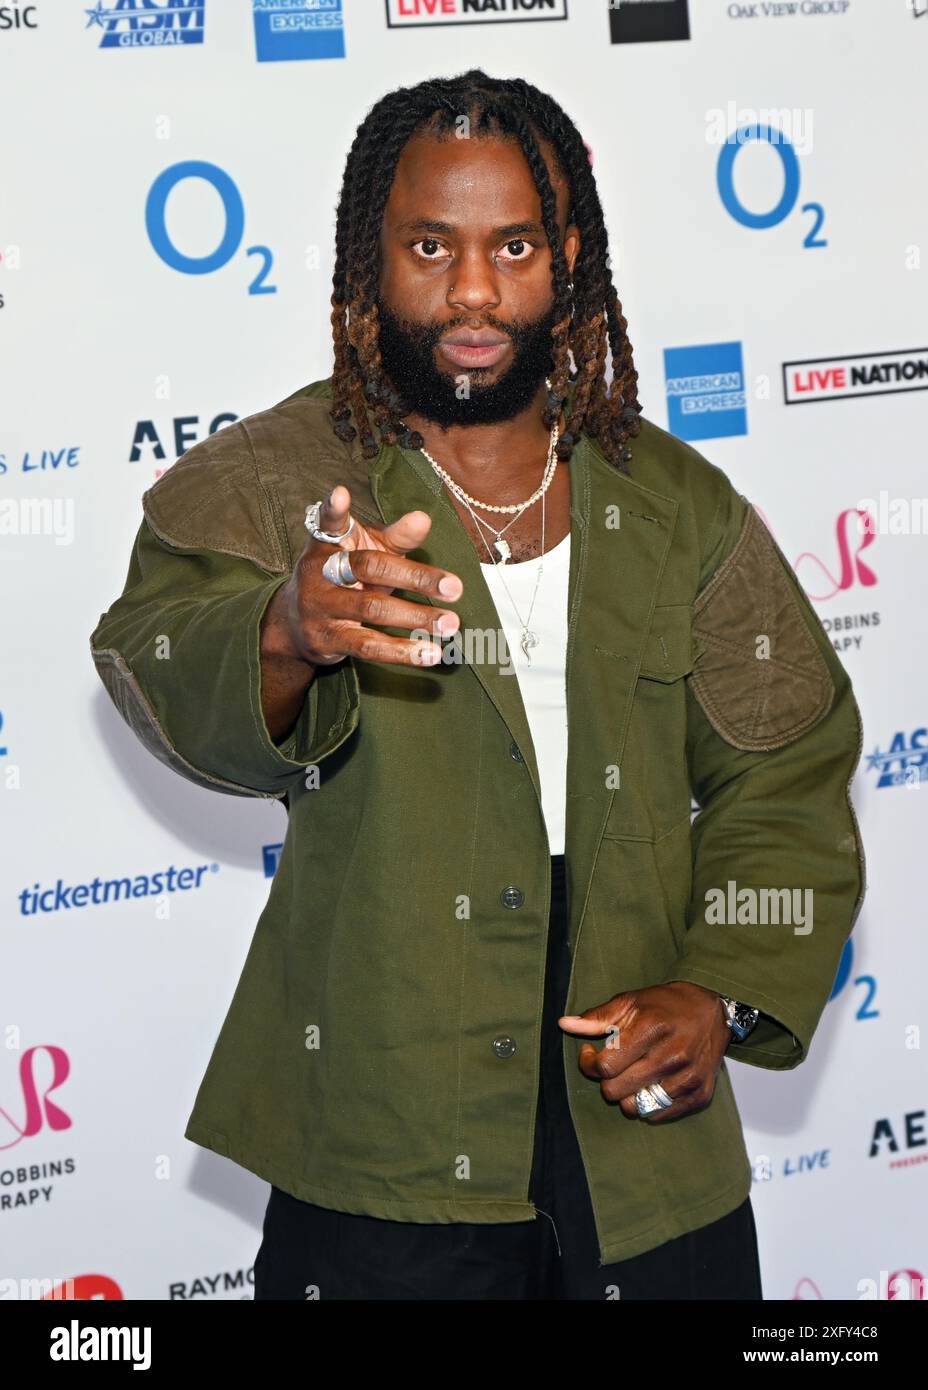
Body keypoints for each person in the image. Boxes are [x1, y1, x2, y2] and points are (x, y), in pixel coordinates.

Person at [89, 69, 866, 1300]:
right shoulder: (273, 475)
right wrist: (288, 629)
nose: (470, 291)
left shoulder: (677, 504)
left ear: (566, 258)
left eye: (510, 246)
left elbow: (791, 768)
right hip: (383, 1155)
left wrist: (720, 989)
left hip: (644, 1157)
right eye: (428, 246)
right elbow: (153, 652)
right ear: (369, 265)